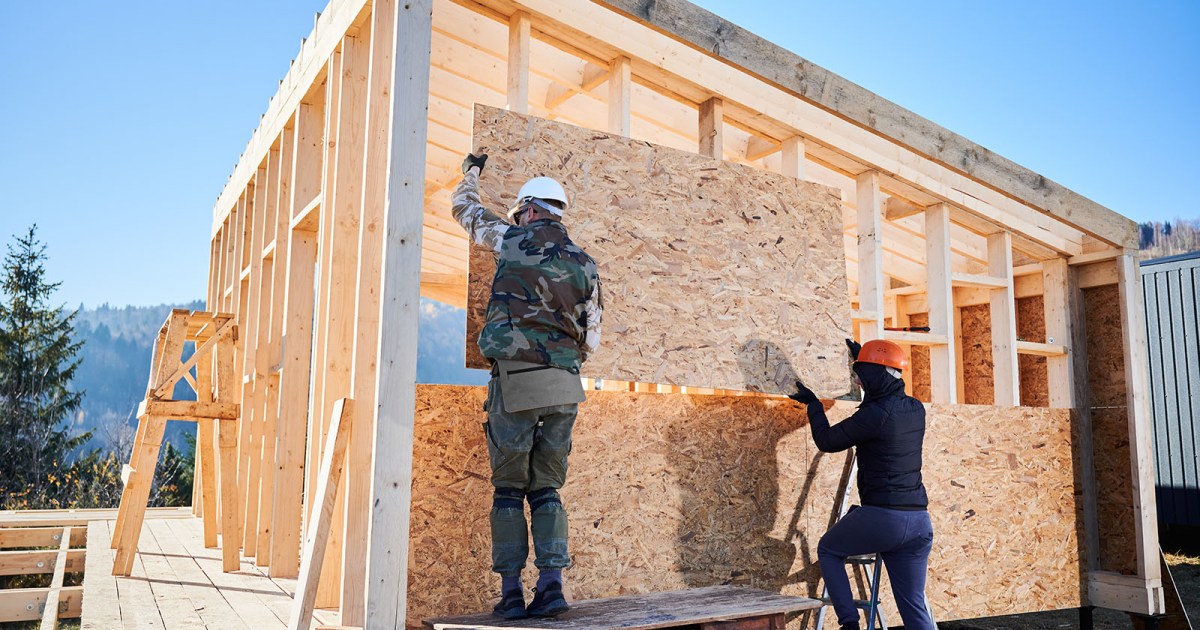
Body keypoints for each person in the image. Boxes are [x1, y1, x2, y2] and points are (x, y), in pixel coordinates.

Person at [451, 153, 602, 619]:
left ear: (531, 209)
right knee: (548, 490)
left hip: (515, 383)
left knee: (508, 490)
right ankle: (553, 588)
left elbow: (464, 210)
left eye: (522, 211)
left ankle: (513, 595)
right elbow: (592, 337)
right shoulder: (586, 263)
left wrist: (471, 174)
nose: (521, 218)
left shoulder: (510, 239)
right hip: (564, 386)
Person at [790, 339, 935, 630]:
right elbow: (884, 388)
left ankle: (849, 624)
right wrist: (865, 359)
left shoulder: (875, 414)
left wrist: (814, 406)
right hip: (919, 523)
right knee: (913, 605)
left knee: (829, 550)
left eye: (861, 374)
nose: (856, 378)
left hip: (884, 518)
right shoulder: (915, 409)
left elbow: (827, 441)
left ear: (875, 375)